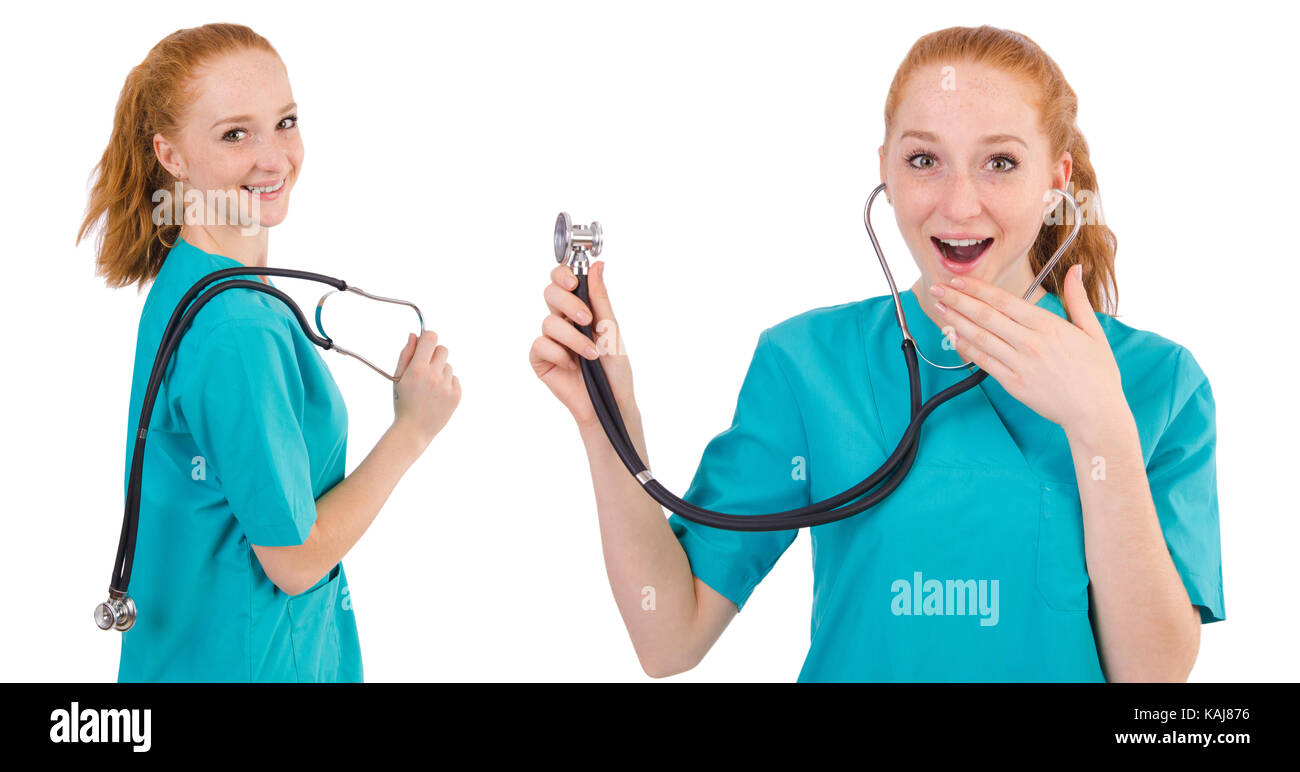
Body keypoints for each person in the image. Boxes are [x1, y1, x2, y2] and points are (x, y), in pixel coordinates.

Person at [529, 25, 1223, 682]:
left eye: (1001, 163)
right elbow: (667, 635)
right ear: (885, 170)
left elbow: (1155, 678)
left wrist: (1101, 425)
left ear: (1056, 182)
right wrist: (606, 421)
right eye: (925, 160)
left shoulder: (1158, 382)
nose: (957, 205)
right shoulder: (805, 363)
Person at [77, 23, 460, 682]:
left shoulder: (190, 281)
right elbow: (294, 558)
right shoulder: (238, 331)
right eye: (235, 134)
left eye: (284, 122)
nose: (274, 158)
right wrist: (413, 430)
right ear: (169, 154)